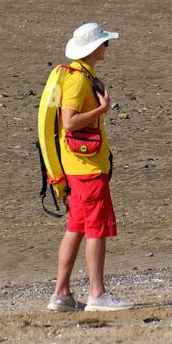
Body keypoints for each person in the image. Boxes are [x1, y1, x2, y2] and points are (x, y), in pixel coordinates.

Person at [48, 22, 133, 312]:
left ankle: (61, 294)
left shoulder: (78, 76)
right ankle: (98, 294)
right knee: (96, 229)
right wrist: (102, 110)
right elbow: (69, 121)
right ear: (94, 48)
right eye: (105, 43)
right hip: (87, 169)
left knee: (76, 228)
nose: (107, 48)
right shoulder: (79, 81)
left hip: (78, 167)